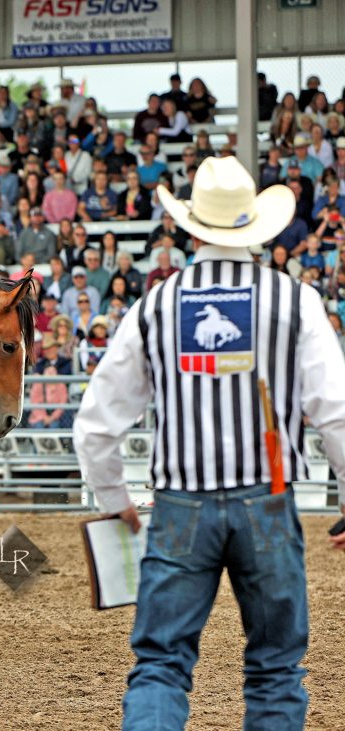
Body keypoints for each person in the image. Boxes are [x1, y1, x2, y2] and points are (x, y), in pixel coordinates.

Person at [74, 155, 345, 731]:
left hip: (179, 506)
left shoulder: (154, 306)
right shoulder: (296, 301)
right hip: (268, 501)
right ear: (254, 229)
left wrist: (112, 496)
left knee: (161, 665)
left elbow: (96, 422)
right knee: (275, 668)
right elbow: (337, 415)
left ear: (191, 227)